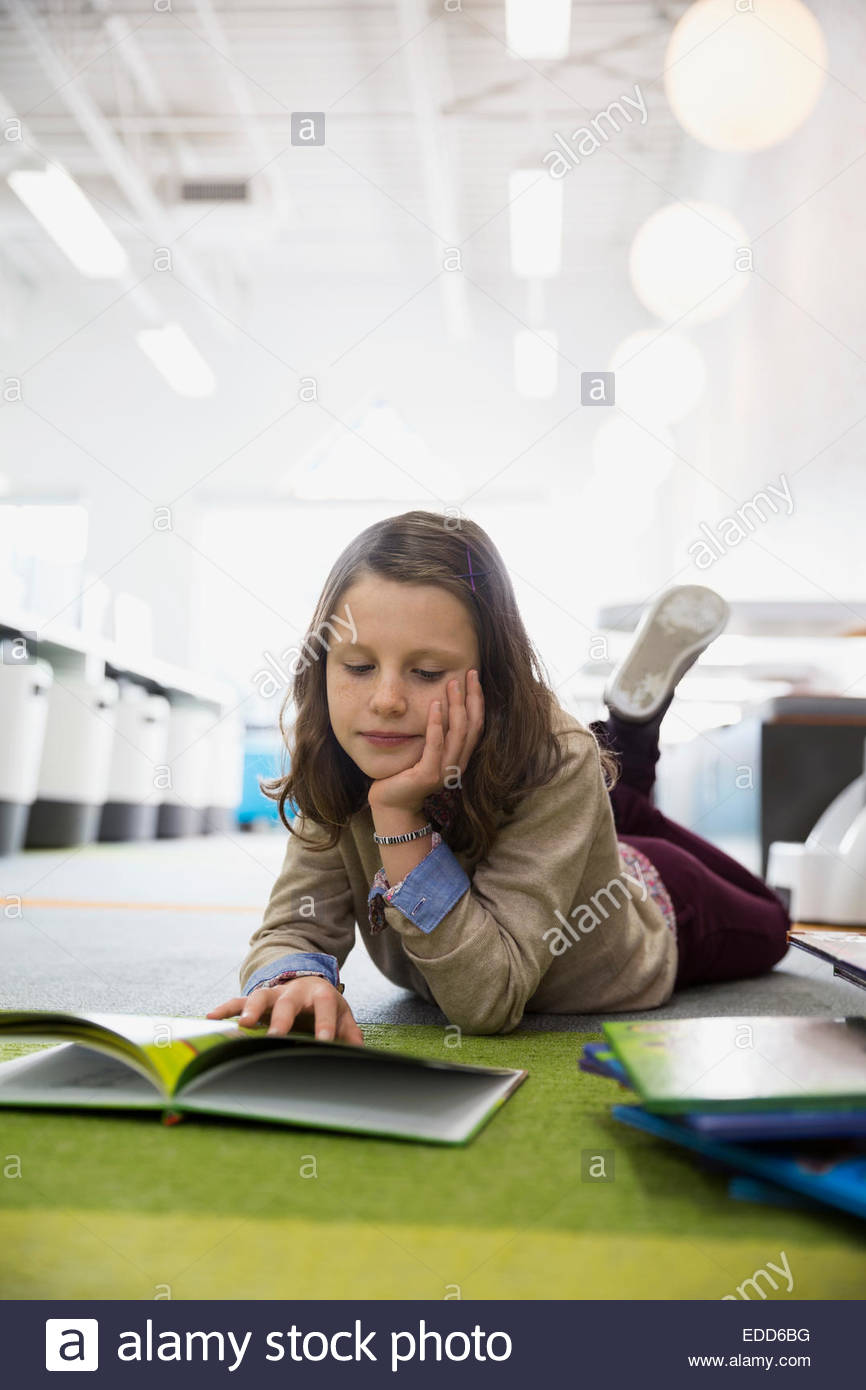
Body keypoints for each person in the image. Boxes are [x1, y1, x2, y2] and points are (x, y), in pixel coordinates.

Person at [206, 511, 790, 1044]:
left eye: (427, 671)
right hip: (570, 841)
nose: (384, 701)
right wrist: (295, 977)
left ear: (497, 679)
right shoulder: (340, 752)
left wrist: (398, 817)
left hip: (652, 903)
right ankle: (620, 774)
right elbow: (292, 928)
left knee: (773, 923)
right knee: (594, 798)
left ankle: (627, 748)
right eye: (357, 666)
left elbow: (487, 1000)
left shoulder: (555, 758)